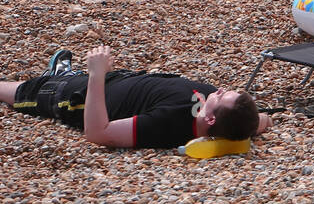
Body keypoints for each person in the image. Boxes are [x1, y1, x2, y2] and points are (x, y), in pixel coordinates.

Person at [1, 46, 269, 149]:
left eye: (222, 97)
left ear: (210, 119)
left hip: (73, 96)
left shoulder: (170, 122)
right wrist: (251, 125)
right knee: (63, 76)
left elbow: (98, 133)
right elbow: (261, 121)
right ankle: (61, 71)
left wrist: (96, 75)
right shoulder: (230, 119)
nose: (219, 90)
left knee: (18, 90)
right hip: (117, 80)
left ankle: (56, 76)